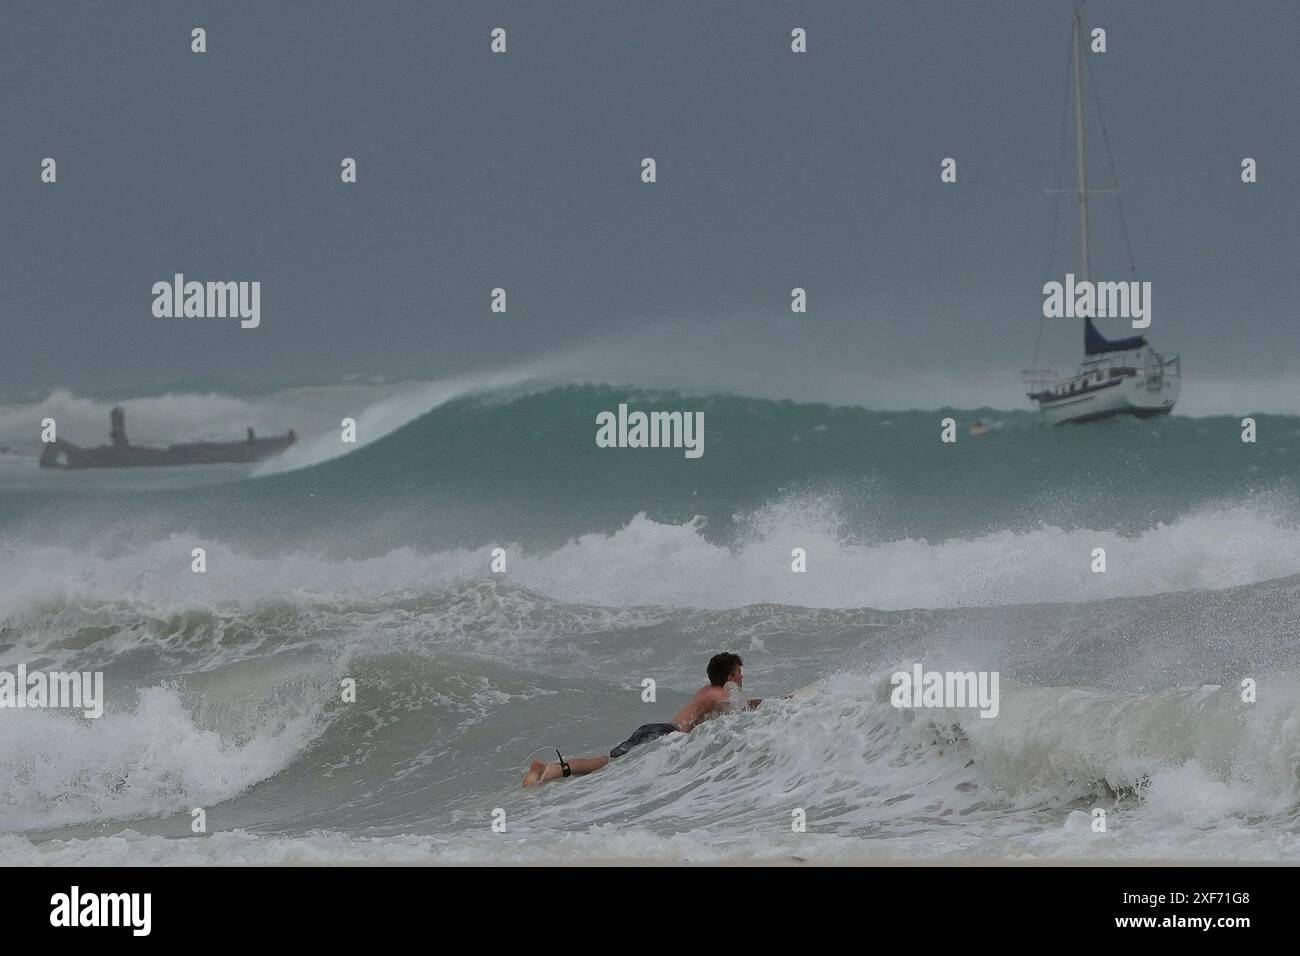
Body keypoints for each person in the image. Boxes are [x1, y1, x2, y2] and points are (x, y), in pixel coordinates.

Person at [522, 652, 780, 788]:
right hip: (665, 735)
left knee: (607, 761)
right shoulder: (721, 693)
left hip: (656, 729)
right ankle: (551, 771)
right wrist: (779, 703)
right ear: (729, 676)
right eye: (739, 672)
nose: (741, 678)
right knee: (607, 765)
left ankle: (552, 768)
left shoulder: (706, 691)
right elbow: (742, 708)